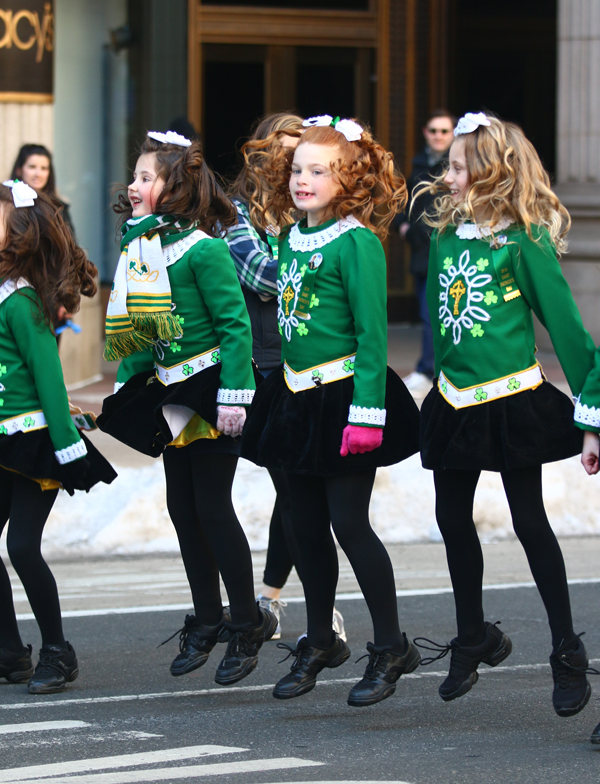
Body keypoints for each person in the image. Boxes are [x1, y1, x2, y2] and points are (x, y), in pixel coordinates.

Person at [414, 112, 597, 718]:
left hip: (512, 400)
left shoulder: (524, 241)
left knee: (529, 522)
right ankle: (475, 637)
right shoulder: (444, 237)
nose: (448, 175)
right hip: (455, 399)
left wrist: (593, 412)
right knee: (450, 516)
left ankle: (566, 651)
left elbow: (568, 330)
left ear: (490, 172)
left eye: (460, 166)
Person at [242, 115, 421, 706]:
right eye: (298, 169)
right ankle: (320, 639)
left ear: (350, 179)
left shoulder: (358, 243)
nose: (303, 180)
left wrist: (367, 412)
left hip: (344, 397)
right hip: (294, 397)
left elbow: (373, 336)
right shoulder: (290, 238)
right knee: (300, 523)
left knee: (349, 525)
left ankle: (391, 645)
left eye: (319, 171)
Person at [96, 130, 277, 686]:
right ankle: (205, 617)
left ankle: (246, 622)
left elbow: (235, 327)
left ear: (174, 187)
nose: (133, 185)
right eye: (135, 176)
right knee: (182, 509)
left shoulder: (206, 248)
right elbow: (139, 332)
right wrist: (127, 398)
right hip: (173, 392)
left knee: (212, 506)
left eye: (145, 177)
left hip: (211, 392)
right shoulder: (142, 249)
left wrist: (234, 395)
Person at [225, 111, 346, 642]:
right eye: (288, 152)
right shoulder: (235, 212)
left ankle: (277, 601)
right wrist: (318, 262)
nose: (296, 167)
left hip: (305, 363)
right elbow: (261, 277)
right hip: (262, 363)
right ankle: (304, 610)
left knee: (296, 491)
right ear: (263, 153)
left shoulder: (308, 213)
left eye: (305, 157)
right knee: (290, 489)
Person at [0, 180, 116, 694]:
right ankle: (9, 653)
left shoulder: (22, 302)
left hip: (34, 443)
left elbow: (48, 380)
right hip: (2, 441)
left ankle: (57, 651)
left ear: (17, 233)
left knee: (23, 547)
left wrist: (69, 447)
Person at [397, 110, 455, 400]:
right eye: (434, 130)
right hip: (422, 255)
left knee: (440, 315)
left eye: (444, 131)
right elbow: (403, 204)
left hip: (446, 251)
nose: (439, 136)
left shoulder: (455, 167)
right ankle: (426, 369)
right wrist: (405, 228)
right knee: (428, 314)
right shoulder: (418, 165)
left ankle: (433, 370)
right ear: (425, 132)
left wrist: (419, 231)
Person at [10, 144, 76, 340]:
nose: (38, 173)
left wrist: (67, 298)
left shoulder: (58, 208)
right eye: (32, 167)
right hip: (11, 295)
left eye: (44, 168)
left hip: (50, 301)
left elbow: (70, 256)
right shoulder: (6, 205)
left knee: (45, 364)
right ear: (19, 169)